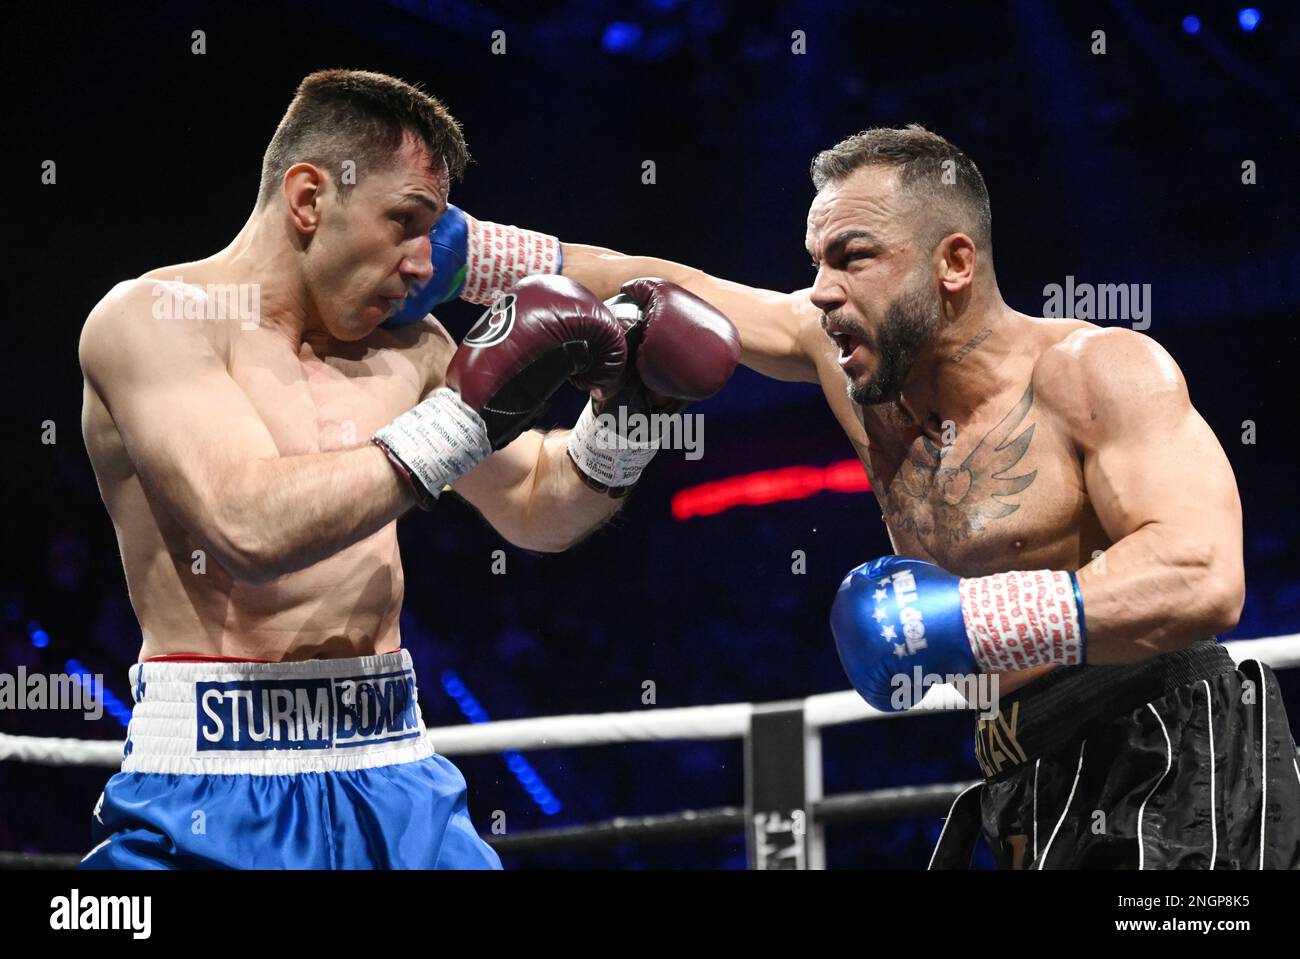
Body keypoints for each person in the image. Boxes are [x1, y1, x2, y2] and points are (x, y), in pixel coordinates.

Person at [436, 123, 1298, 869]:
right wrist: (458, 252)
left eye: (854, 258)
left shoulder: (1097, 371)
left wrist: (963, 619)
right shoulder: (847, 367)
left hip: (1170, 753)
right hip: (1019, 766)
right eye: (816, 262)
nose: (821, 291)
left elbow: (1203, 576)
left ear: (953, 262)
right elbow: (647, 282)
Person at [77, 68, 738, 869]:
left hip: (395, 768)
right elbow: (245, 522)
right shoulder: (152, 321)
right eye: (406, 223)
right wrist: (463, 418)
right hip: (216, 778)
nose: (426, 266)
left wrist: (629, 416)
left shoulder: (412, 349)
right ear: (309, 198)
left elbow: (536, 504)